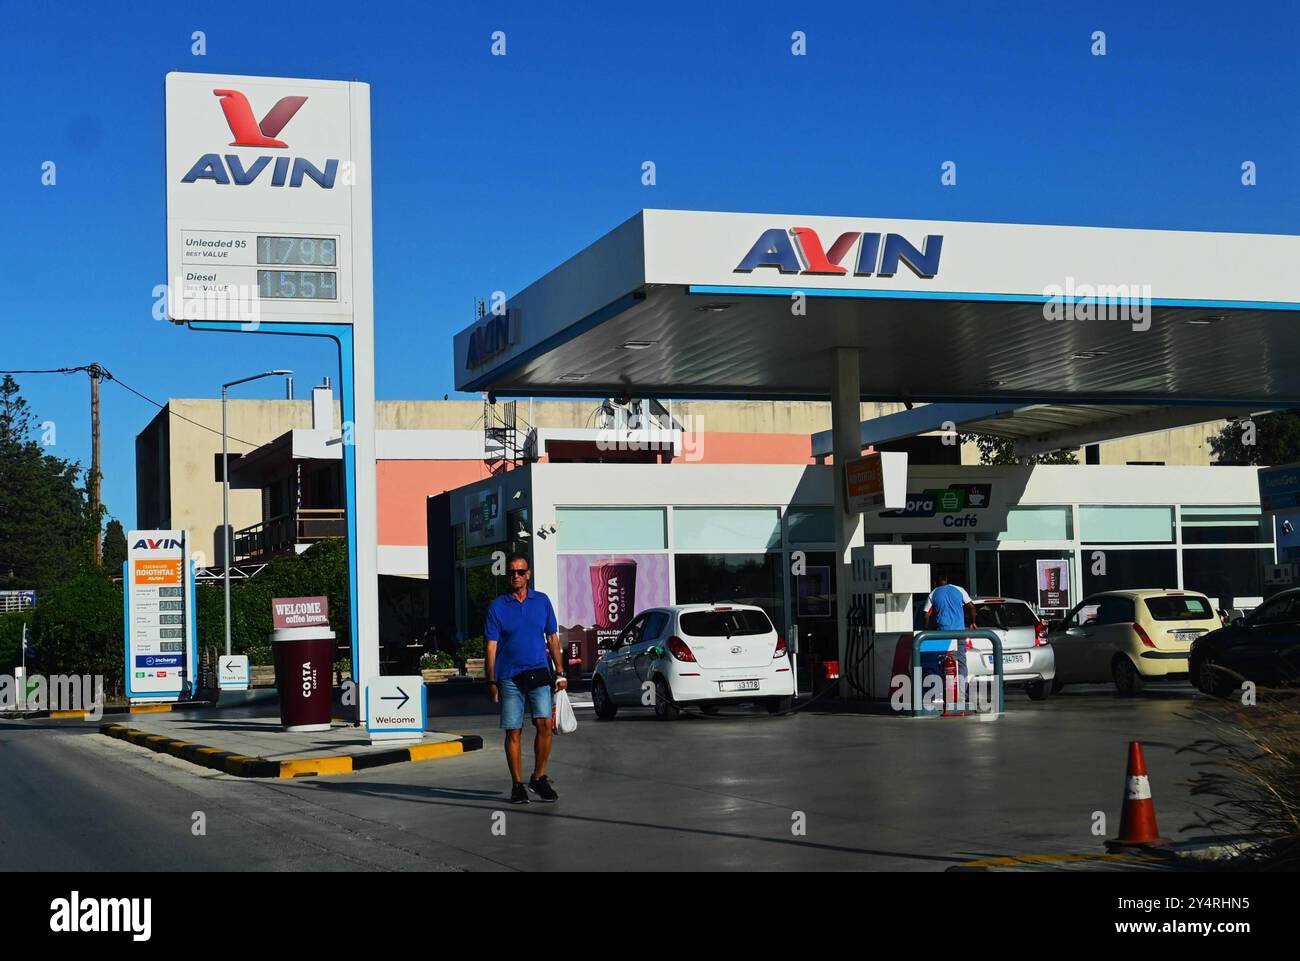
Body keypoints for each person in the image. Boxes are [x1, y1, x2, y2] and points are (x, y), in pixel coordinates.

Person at [485, 552, 567, 804]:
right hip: (509, 676)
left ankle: (539, 777)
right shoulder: (498, 606)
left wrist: (560, 672)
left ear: (528, 574)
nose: (516, 576)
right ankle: (517, 784)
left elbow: (552, 638)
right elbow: (491, 646)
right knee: (514, 731)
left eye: (521, 572)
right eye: (512, 572)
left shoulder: (541, 602)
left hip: (539, 673)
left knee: (544, 725)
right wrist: (491, 681)